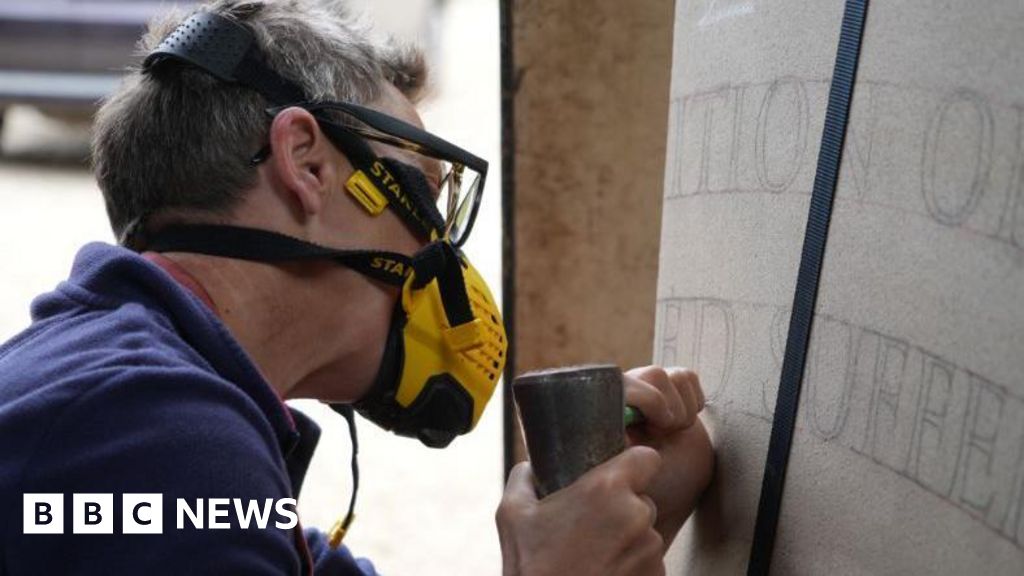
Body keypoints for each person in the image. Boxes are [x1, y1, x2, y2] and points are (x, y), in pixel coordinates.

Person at [0, 0, 713, 574]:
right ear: (305, 163)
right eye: (426, 194)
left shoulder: (139, 404)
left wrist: (627, 508)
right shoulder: (157, 438)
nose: (436, 250)